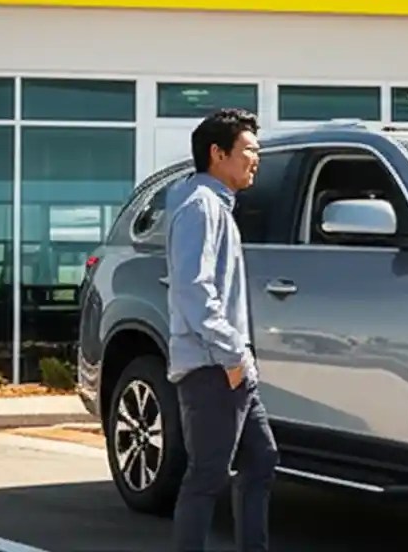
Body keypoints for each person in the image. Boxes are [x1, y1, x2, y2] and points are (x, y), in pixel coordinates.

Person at [166, 107, 277, 552]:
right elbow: (195, 289)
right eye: (249, 150)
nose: (256, 159)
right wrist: (233, 354)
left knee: (261, 459)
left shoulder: (215, 205)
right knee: (207, 476)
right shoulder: (200, 208)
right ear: (217, 154)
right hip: (213, 367)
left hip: (229, 366)